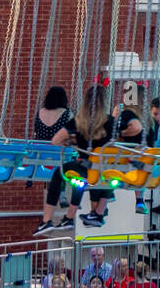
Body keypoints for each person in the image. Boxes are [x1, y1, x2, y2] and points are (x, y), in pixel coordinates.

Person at [48, 85, 115, 230]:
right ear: (104, 102)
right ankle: (97, 213)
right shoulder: (111, 122)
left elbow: (55, 141)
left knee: (63, 173)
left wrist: (73, 141)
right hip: (105, 172)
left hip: (85, 169)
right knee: (103, 173)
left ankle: (52, 218)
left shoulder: (79, 121)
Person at [32, 86, 76, 236]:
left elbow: (36, 132)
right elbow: (71, 133)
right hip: (59, 155)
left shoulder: (40, 113)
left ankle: (57, 191)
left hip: (41, 156)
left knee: (51, 169)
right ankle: (62, 192)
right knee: (67, 161)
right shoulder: (66, 114)